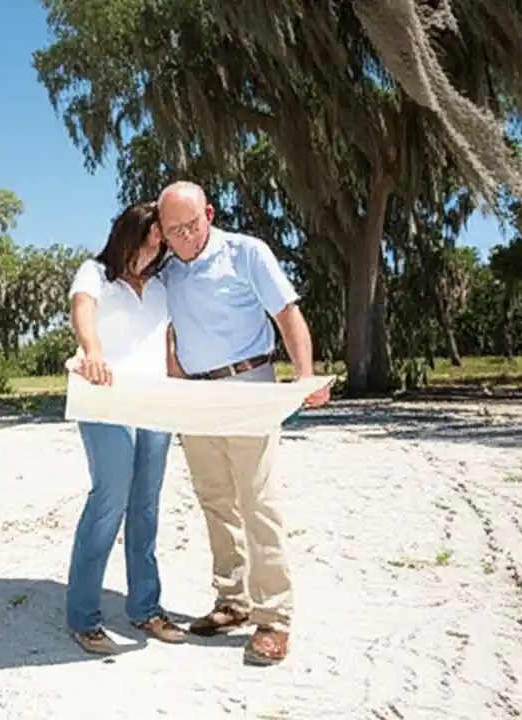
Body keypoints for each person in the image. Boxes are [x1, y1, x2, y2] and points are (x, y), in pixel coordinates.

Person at [156, 181, 329, 667]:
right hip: (196, 396)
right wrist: (172, 384)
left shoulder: (247, 252)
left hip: (250, 385)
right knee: (215, 501)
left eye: (191, 226)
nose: (185, 238)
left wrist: (306, 374)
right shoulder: (169, 272)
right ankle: (232, 601)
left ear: (209, 213)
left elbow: (287, 314)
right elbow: (166, 331)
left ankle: (274, 617)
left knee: (259, 501)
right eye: (174, 231)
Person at [64, 200, 186, 655]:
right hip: (106, 397)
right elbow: (83, 310)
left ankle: (145, 608)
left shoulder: (162, 286)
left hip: (155, 403)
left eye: (163, 243)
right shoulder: (94, 273)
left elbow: (167, 342)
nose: (157, 249)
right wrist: (92, 351)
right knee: (109, 499)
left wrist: (181, 388)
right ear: (131, 232)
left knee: (146, 507)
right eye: (153, 236)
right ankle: (83, 616)